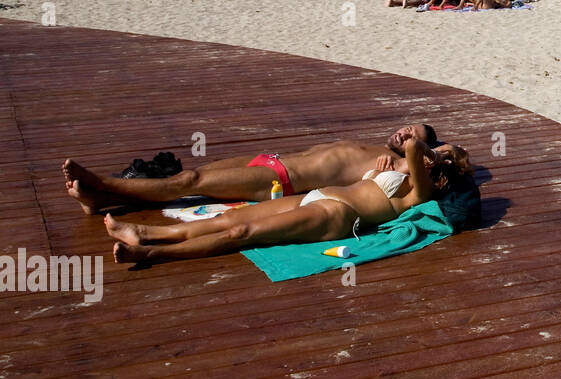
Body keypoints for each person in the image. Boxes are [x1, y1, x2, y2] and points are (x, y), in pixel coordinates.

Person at [106, 138, 472, 265]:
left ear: (445, 169)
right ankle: (145, 232)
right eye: (441, 149)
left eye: (445, 154)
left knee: (241, 233)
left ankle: (151, 253)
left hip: (338, 214)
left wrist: (433, 155)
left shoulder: (421, 190)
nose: (439, 153)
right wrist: (377, 170)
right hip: (314, 197)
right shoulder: (395, 170)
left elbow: (413, 146)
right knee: (228, 220)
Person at [64, 124, 440, 212]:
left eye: (414, 136)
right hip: (270, 159)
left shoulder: (399, 164)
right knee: (193, 182)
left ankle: (103, 183)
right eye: (408, 126)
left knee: (189, 181)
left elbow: (427, 173)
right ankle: (101, 201)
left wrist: (401, 165)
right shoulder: (375, 147)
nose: (405, 133)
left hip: (280, 179)